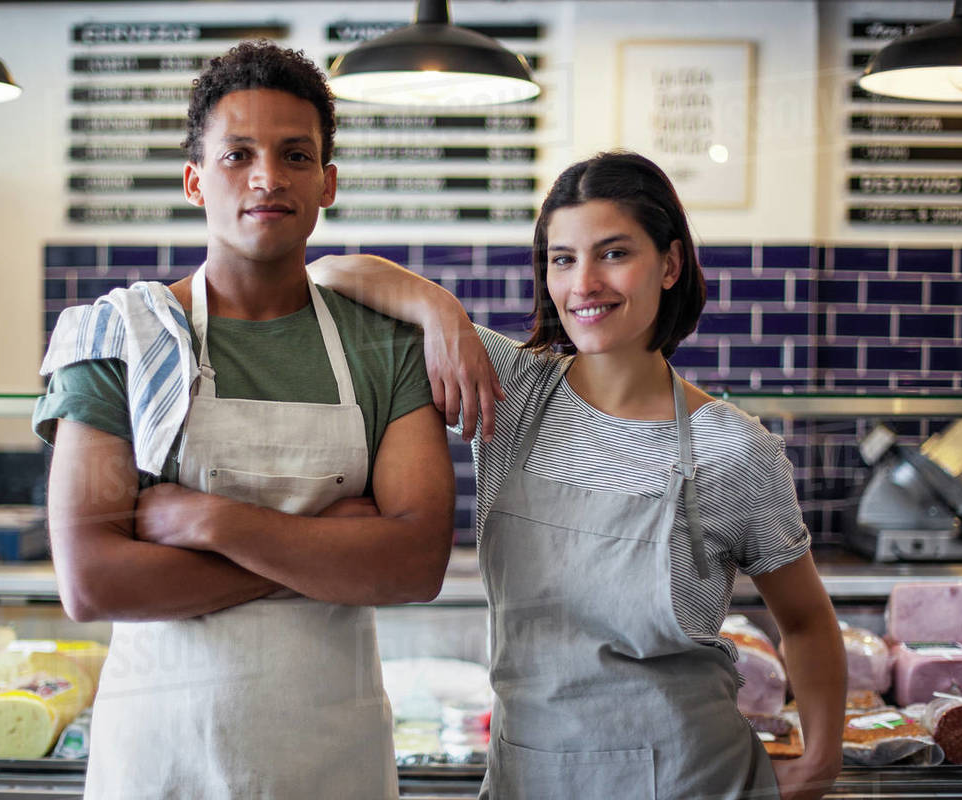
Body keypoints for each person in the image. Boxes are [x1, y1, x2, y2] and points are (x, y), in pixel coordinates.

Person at [309, 151, 846, 800]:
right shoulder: (509, 390)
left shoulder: (733, 448)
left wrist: (821, 758)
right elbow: (329, 274)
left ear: (670, 264)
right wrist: (439, 310)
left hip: (691, 777)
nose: (583, 283)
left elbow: (808, 622)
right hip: (529, 775)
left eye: (613, 253)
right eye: (562, 259)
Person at [33, 41, 455, 799]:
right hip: (162, 763)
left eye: (295, 155)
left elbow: (415, 564)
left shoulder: (386, 346)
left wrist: (209, 522)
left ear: (326, 182)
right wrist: (326, 547)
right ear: (196, 181)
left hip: (333, 758)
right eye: (238, 155)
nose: (268, 177)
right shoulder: (117, 339)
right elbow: (92, 582)